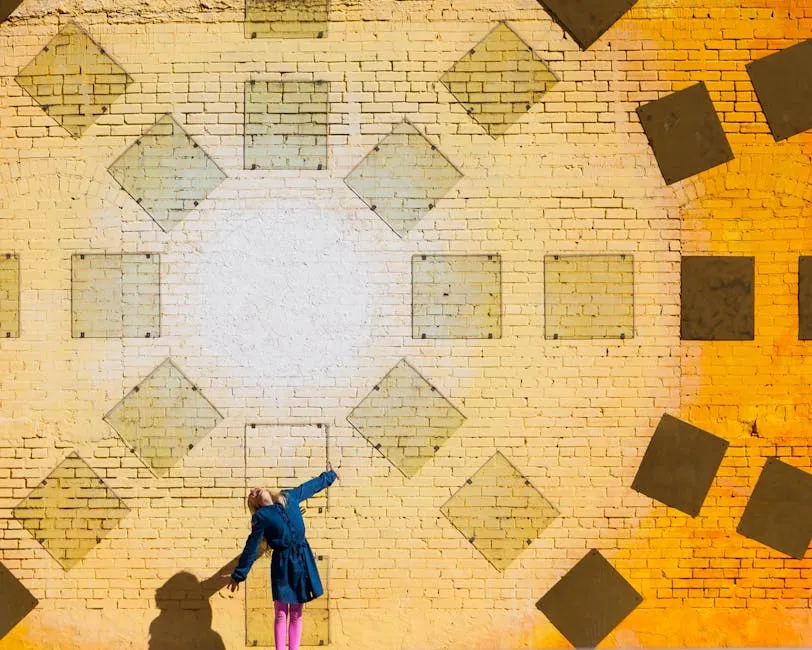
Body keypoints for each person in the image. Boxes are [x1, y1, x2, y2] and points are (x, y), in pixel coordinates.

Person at [227, 462, 339, 650]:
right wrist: (239, 575)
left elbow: (309, 487)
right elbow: (251, 547)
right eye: (251, 494)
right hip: (283, 563)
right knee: (281, 612)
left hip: (302, 559)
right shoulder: (261, 517)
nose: (254, 490)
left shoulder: (288, 496)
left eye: (256, 489)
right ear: (254, 505)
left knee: (297, 612)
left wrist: (331, 475)